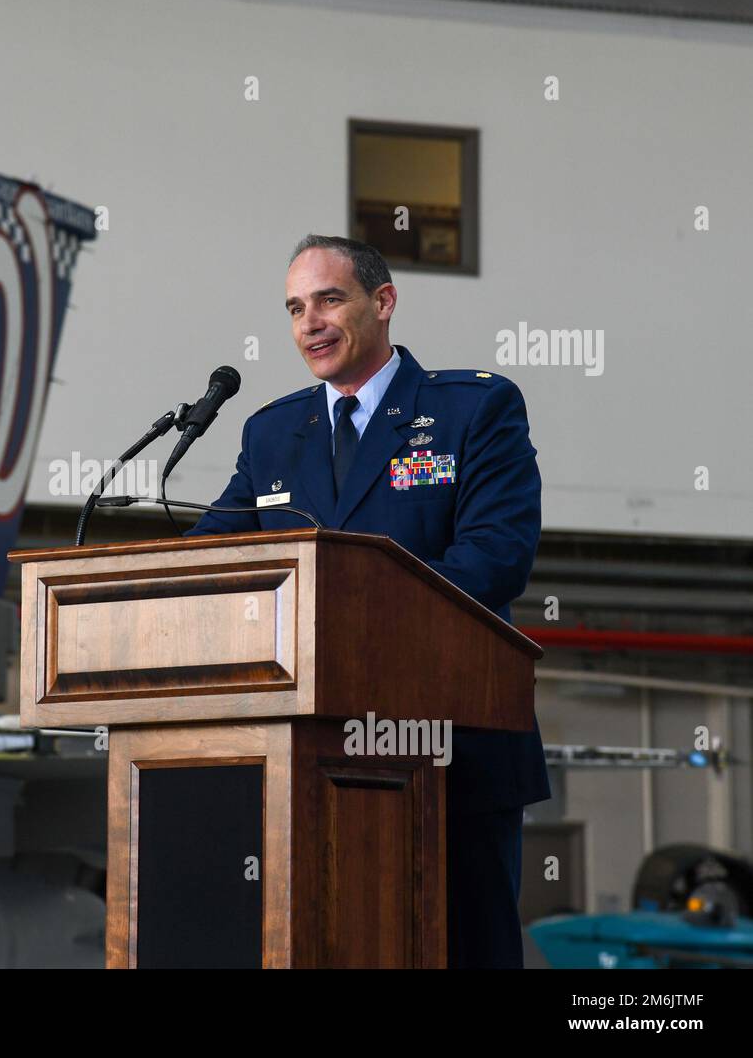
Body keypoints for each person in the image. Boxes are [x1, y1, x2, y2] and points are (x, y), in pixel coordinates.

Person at [185, 234, 551, 968]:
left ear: (383, 302)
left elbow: (494, 559)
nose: (310, 323)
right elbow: (211, 557)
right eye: (295, 308)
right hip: (307, 762)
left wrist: (345, 620)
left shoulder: (473, 408)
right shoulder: (272, 432)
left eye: (329, 300)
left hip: (447, 749)